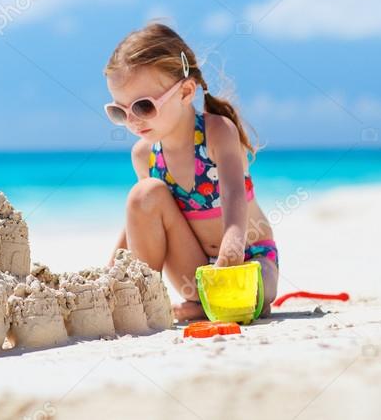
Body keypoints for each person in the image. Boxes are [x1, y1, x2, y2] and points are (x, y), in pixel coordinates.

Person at [104, 23, 278, 320]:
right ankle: (143, 299)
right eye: (119, 112)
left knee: (252, 299)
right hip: (194, 271)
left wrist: (233, 244)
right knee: (143, 194)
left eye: (143, 107)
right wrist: (110, 273)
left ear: (185, 92)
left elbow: (234, 193)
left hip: (249, 256)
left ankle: (210, 306)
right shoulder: (145, 155)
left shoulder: (217, 133)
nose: (132, 120)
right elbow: (137, 219)